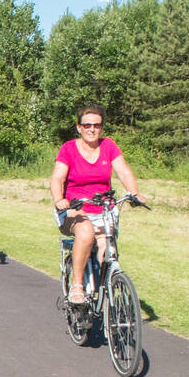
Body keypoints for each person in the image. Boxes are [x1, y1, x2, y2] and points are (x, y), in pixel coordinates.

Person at [49, 104, 145, 303]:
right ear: (79, 127)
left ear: (101, 127)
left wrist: (134, 193)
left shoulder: (109, 146)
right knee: (85, 233)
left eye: (97, 125)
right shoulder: (68, 149)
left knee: (108, 250)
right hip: (75, 208)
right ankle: (77, 285)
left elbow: (124, 171)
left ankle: (104, 292)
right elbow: (57, 178)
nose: (92, 129)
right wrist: (60, 200)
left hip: (104, 209)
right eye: (87, 125)